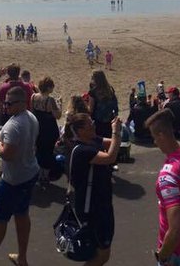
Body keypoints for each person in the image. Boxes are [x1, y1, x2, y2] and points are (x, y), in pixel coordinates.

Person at [0, 86, 36, 266]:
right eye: (4, 102)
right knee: (22, 214)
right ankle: (22, 257)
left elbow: (7, 154)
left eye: (9, 103)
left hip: (13, 179)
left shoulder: (13, 125)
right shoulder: (31, 118)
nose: (5, 106)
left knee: (0, 220)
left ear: (21, 103)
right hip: (29, 172)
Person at [146, 111, 180, 266]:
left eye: (154, 137)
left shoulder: (167, 177)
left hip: (173, 252)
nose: (155, 142)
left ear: (162, 135)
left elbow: (174, 229)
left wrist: (162, 256)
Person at [65, 113, 121, 266]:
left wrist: (116, 133)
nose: (94, 126)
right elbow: (110, 157)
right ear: (81, 131)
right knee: (102, 254)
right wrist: (116, 132)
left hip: (100, 203)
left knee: (99, 251)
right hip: (94, 209)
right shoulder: (82, 151)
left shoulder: (91, 140)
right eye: (90, 125)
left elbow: (111, 144)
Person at [30, 78, 62, 180]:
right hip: (49, 129)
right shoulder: (50, 100)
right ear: (48, 87)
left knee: (39, 150)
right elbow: (57, 115)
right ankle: (46, 175)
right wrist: (60, 104)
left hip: (38, 127)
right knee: (48, 152)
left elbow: (32, 111)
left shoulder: (33, 96)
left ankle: (39, 173)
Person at [85, 71, 120, 139]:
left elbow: (91, 110)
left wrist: (85, 105)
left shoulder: (93, 92)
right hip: (109, 120)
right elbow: (115, 105)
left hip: (98, 122)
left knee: (99, 142)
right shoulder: (110, 90)